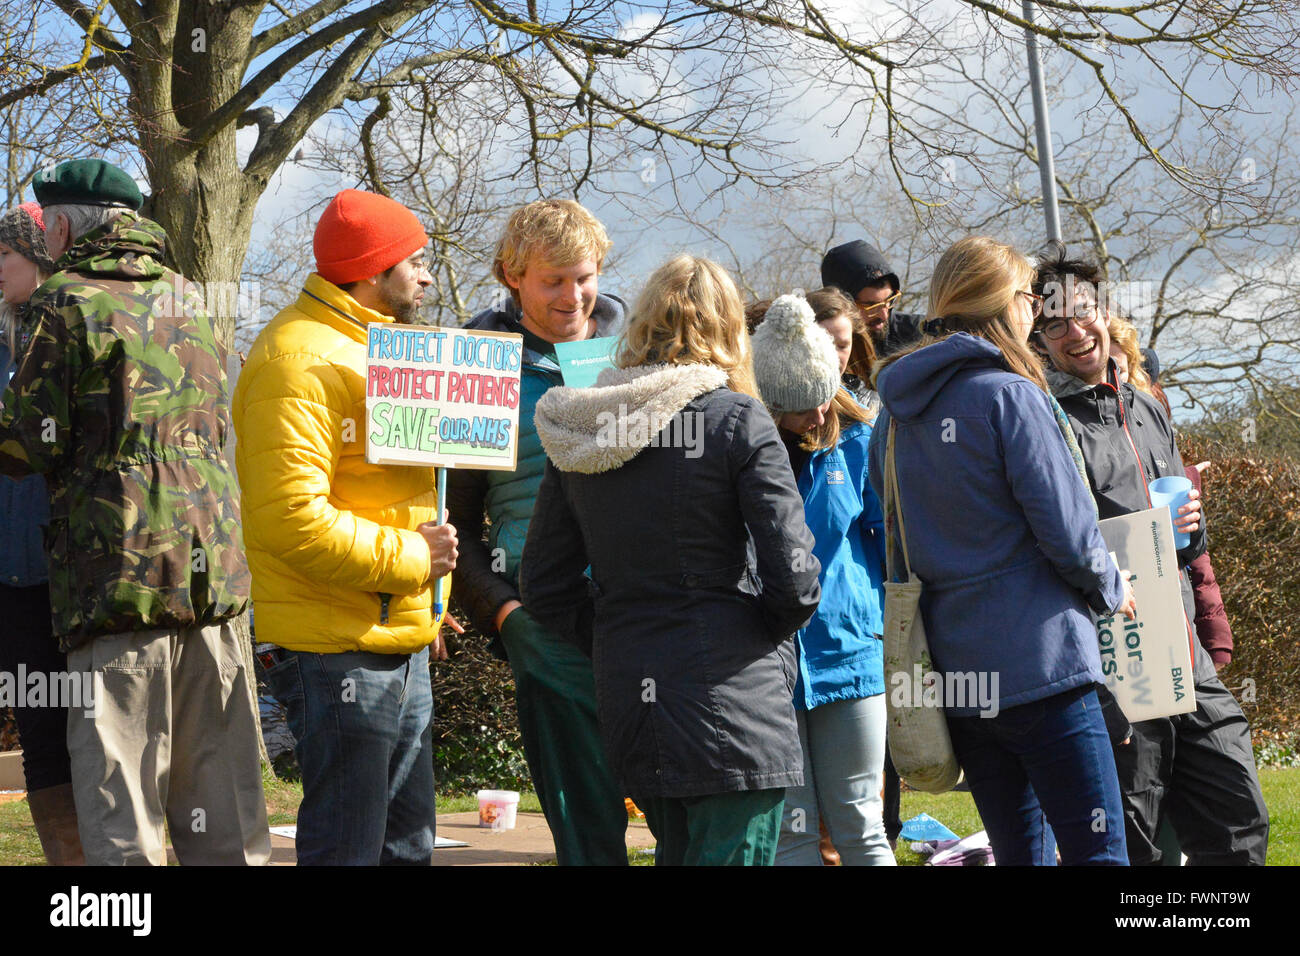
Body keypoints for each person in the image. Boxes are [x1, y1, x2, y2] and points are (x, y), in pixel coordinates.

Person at [0, 159, 269, 865]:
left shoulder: (62, 301)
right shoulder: (190, 296)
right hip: (212, 583)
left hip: (115, 583)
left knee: (125, 819)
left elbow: (26, 442)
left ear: (59, 226)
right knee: (222, 815)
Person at [519, 254, 822, 866]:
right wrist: (751, 635)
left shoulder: (585, 424)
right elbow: (795, 578)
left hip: (635, 697)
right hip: (735, 705)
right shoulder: (738, 418)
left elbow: (544, 586)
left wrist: (616, 634)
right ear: (729, 329)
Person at [867, 235, 1133, 866]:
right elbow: (1068, 532)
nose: (1036, 312)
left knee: (1021, 856)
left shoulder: (894, 417)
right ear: (1002, 302)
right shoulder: (1011, 395)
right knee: (1098, 853)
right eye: (1030, 298)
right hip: (1044, 665)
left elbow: (891, 522)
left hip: (958, 676)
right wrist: (1112, 586)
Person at [233, 188, 458, 865]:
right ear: (371, 269)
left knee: (406, 844)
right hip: (334, 648)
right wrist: (414, 561)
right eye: (413, 261)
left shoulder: (381, 350)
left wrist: (432, 599)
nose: (426, 275)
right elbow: (291, 521)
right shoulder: (295, 361)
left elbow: (381, 492)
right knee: (347, 848)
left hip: (396, 633)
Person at [1034, 249, 1269, 865]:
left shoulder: (1145, 401)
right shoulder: (1046, 419)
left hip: (1184, 646)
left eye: (1083, 312)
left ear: (1105, 312)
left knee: (1238, 817)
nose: (1075, 332)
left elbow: (1185, 535)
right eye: (1055, 323)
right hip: (1117, 655)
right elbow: (1061, 538)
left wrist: (1191, 525)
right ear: (1038, 337)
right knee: (1135, 842)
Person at [445, 199, 630, 865]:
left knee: (686, 805)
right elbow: (453, 521)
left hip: (642, 610)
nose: (572, 296)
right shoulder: (474, 366)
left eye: (584, 277)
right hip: (541, 614)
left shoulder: (638, 354)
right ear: (510, 276)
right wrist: (503, 612)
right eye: (552, 280)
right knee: (586, 826)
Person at [750, 293, 895, 866]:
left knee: (861, 823)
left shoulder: (859, 436)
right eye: (801, 403)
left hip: (850, 652)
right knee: (791, 832)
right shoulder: (738, 442)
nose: (816, 414)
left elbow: (890, 543)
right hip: (766, 664)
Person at [0, 202, 83, 864]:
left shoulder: (79, 332)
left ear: (42, 255)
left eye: (5, 255)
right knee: (40, 732)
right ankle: (70, 871)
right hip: (13, 580)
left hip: (82, 578)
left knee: (99, 731)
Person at [820, 239, 922, 358]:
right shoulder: (821, 348)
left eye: (889, 300)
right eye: (872, 306)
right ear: (843, 304)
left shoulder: (921, 334)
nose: (884, 315)